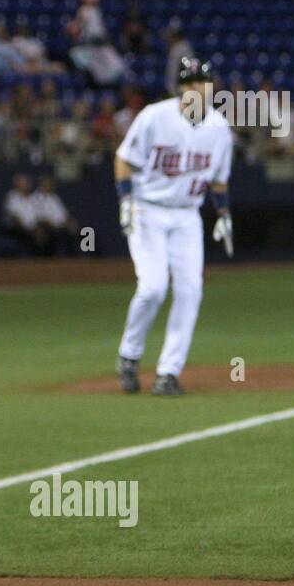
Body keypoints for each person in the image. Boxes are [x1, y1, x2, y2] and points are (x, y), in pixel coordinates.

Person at [114, 56, 234, 396]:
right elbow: (124, 158)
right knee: (152, 288)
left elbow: (219, 180)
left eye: (203, 82)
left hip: (187, 216)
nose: (197, 88)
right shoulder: (154, 117)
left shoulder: (219, 128)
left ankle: (168, 371)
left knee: (190, 291)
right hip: (148, 210)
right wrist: (125, 201)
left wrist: (223, 216)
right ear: (180, 88)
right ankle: (130, 354)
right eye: (190, 83)